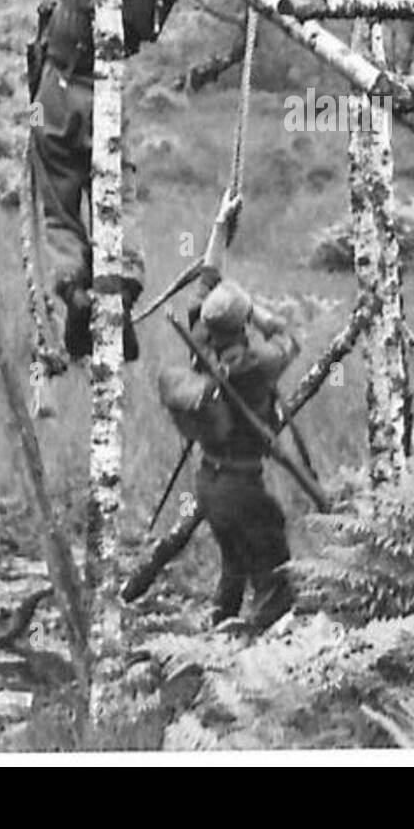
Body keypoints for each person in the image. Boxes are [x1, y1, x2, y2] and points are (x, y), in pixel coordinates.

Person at [28, 0, 176, 361]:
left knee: (58, 204)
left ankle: (75, 292)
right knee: (118, 197)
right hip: (105, 94)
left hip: (56, 90)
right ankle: (121, 292)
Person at [158, 194, 300, 631]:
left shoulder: (200, 339)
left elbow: (207, 276)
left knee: (234, 565)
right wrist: (260, 313)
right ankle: (253, 652)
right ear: (241, 324)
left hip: (208, 484)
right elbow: (291, 338)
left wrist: (220, 226)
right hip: (242, 486)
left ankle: (216, 634)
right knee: (273, 571)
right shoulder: (255, 367)